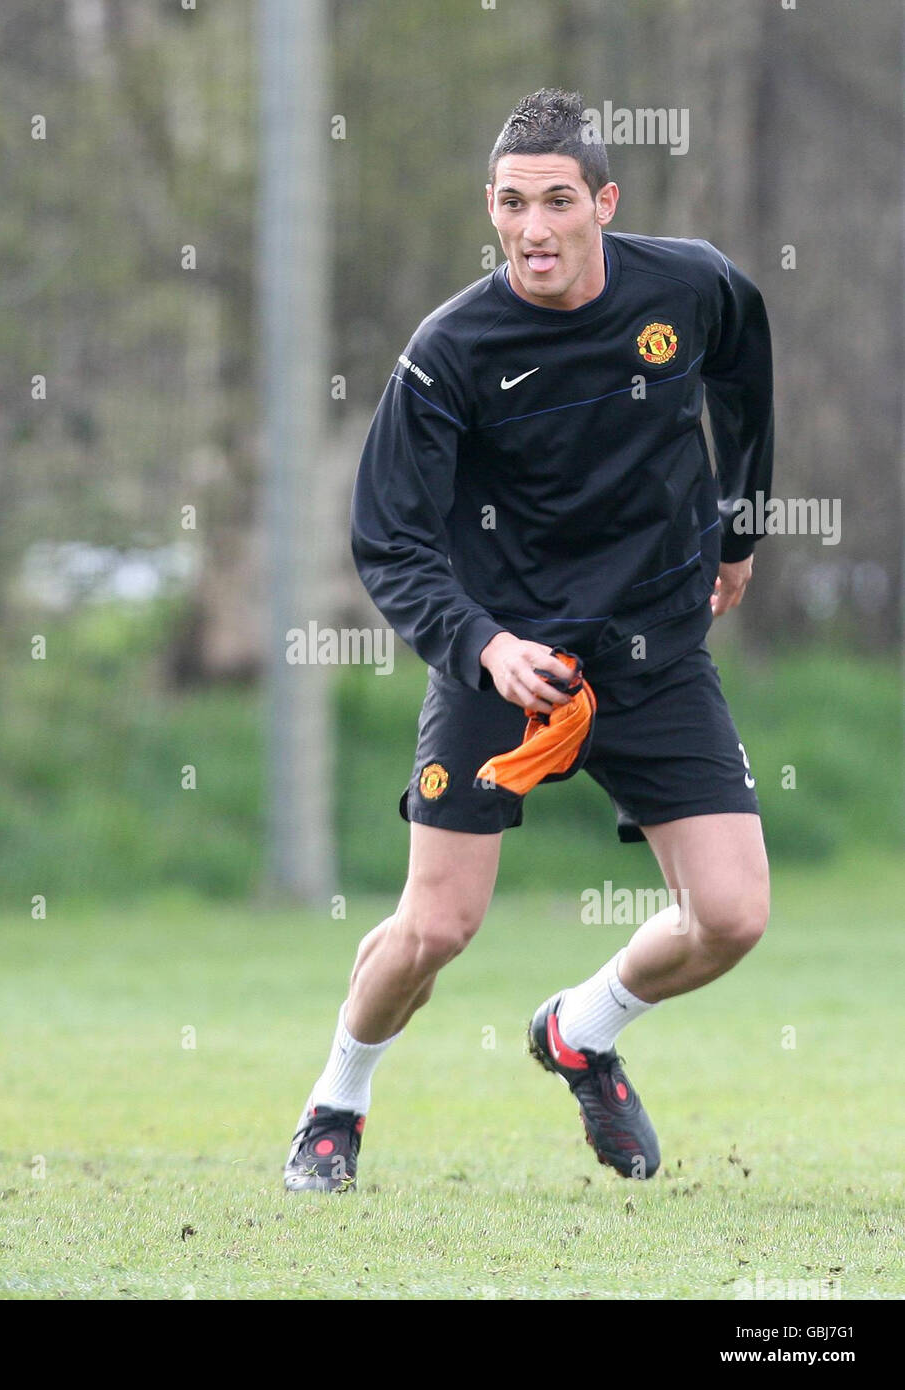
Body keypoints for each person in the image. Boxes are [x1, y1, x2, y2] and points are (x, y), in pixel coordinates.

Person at [284, 89, 774, 1190]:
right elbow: (390, 541)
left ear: (604, 201)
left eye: (557, 200)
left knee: (732, 914)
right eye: (512, 204)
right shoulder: (448, 351)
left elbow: (743, 379)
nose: (534, 228)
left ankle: (579, 1030)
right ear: (491, 212)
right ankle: (335, 1102)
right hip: (504, 656)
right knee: (435, 928)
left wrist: (736, 531)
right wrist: (483, 647)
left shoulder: (687, 285)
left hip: (650, 648)